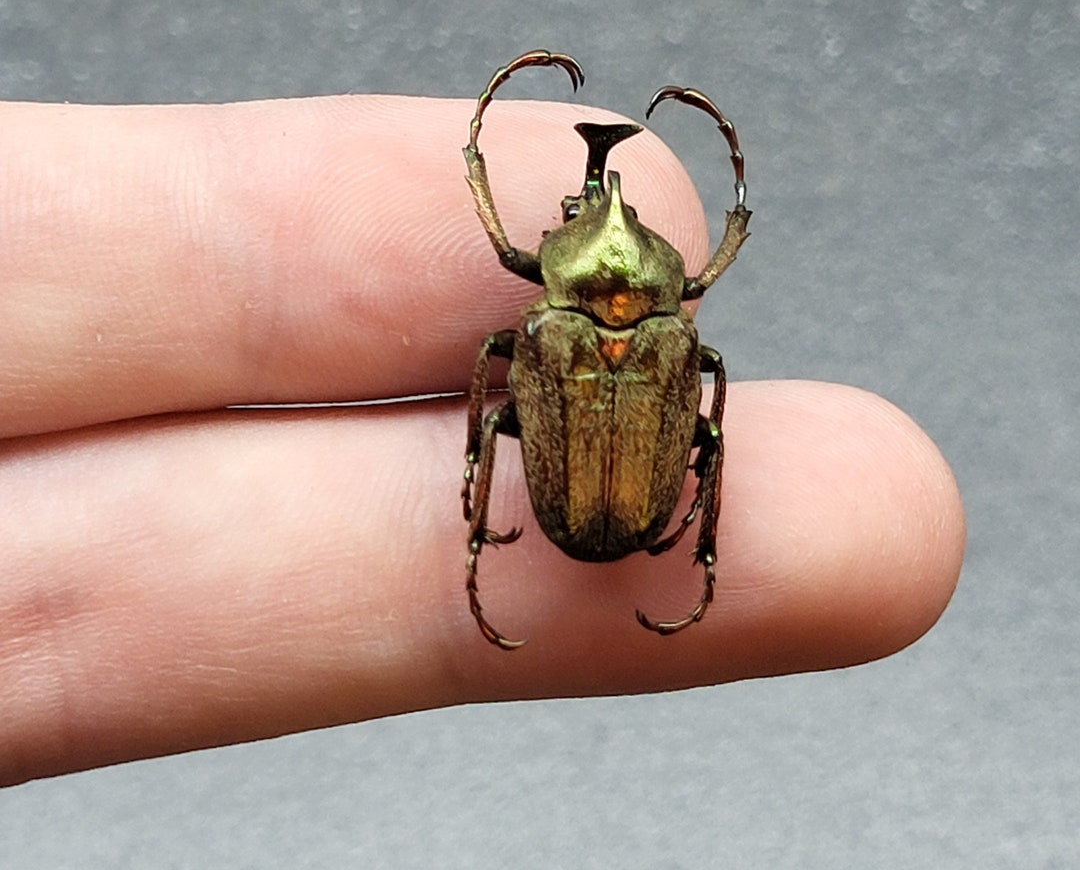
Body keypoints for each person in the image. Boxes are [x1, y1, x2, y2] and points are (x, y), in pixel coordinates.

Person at [0, 94, 965, 786]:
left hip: (577, 489)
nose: (600, 201)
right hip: (632, 492)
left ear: (560, 255)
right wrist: (736, 198)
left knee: (509, 405)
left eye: (590, 212)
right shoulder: (684, 340)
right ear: (675, 271)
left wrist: (480, 161)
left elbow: (502, 343)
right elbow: (705, 400)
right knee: (702, 428)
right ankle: (682, 540)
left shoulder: (532, 332)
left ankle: (500, 508)